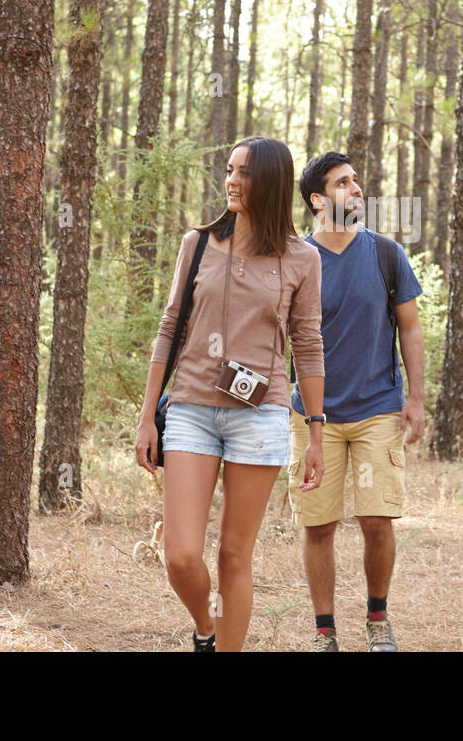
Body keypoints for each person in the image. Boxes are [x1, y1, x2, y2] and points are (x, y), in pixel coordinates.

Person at [135, 136, 327, 652]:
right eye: (229, 170)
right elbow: (169, 325)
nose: (232, 181)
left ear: (271, 182)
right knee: (180, 555)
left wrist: (316, 431)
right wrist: (146, 417)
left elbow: (308, 344)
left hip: (259, 417)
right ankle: (206, 627)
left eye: (244, 173)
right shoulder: (197, 243)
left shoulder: (302, 259)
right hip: (192, 409)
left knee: (234, 556)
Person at [288, 152, 425, 652]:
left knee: (376, 519)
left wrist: (416, 397)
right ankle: (325, 631)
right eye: (344, 183)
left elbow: (410, 329)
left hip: (377, 410)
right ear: (318, 200)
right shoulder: (298, 259)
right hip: (311, 416)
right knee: (318, 524)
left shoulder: (386, 253)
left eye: (357, 179)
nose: (358, 188)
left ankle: (378, 620)